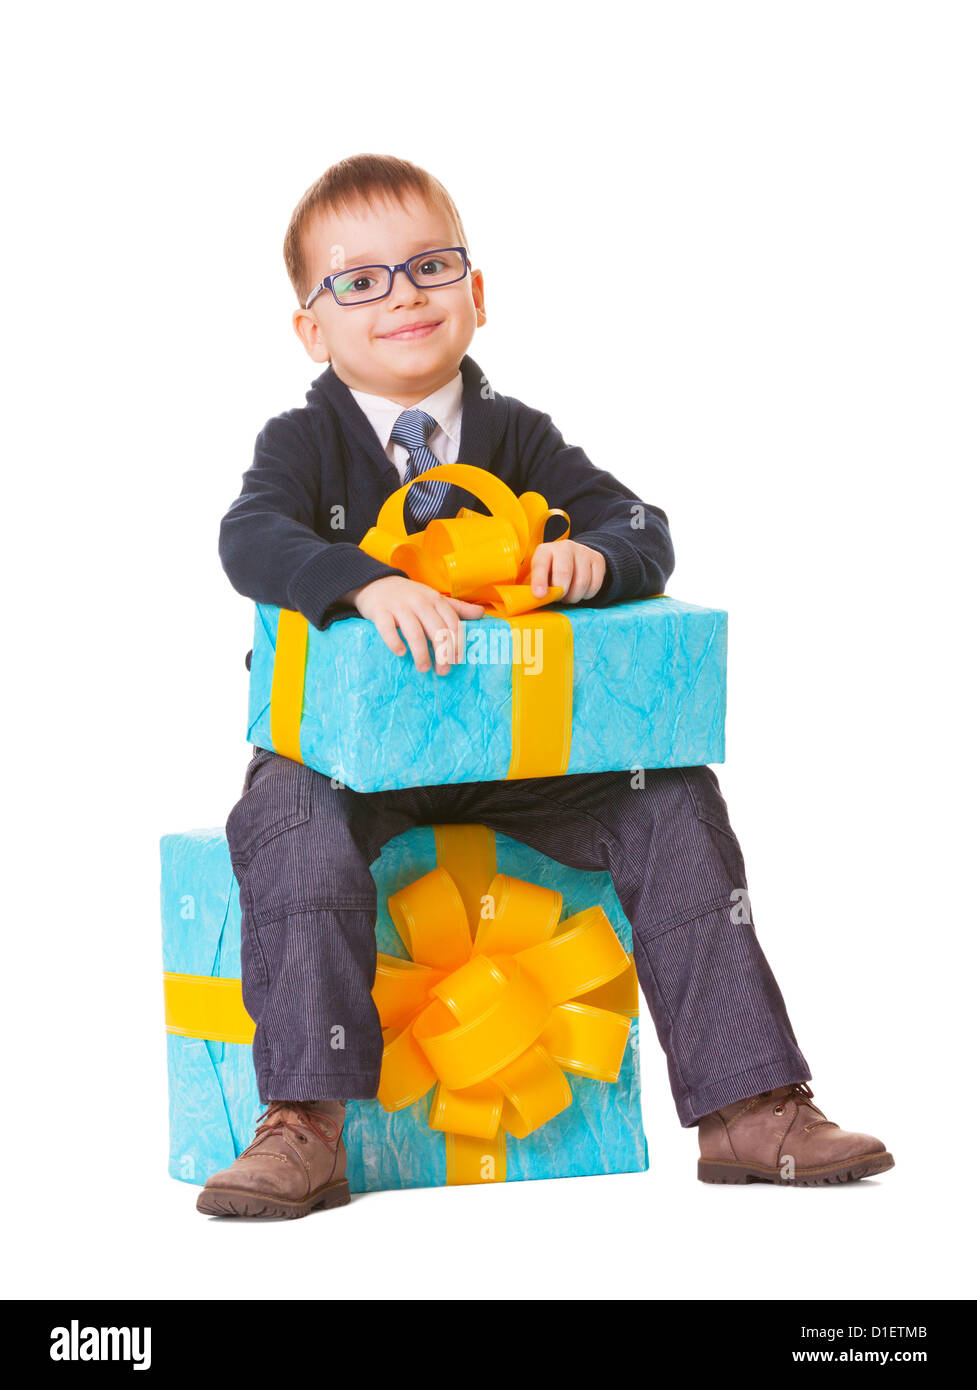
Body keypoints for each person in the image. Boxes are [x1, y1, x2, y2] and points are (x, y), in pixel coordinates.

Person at [197, 153, 892, 1219]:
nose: (404, 295)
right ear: (312, 329)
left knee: (670, 796)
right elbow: (248, 539)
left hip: (522, 755)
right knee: (287, 818)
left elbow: (641, 526)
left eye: (430, 266)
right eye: (361, 281)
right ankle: (303, 1119)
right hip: (348, 763)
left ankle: (749, 1102)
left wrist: (595, 559)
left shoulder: (517, 437)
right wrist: (359, 581)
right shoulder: (301, 446)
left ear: (476, 293)